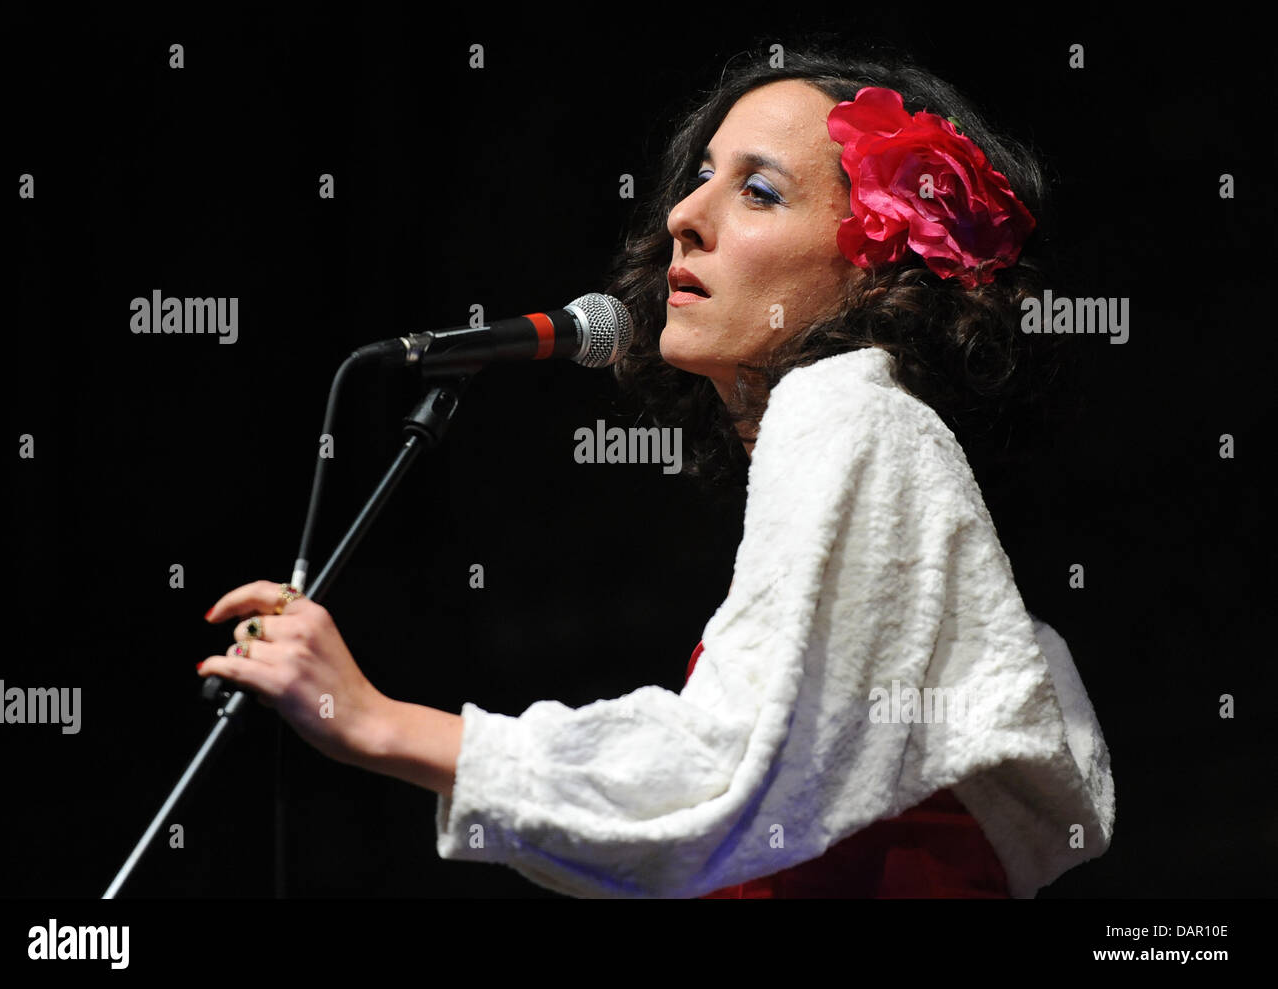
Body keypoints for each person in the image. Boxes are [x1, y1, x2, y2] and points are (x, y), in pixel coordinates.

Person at [197, 45, 1115, 898]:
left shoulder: (850, 408)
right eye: (702, 176)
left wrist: (375, 721)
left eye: (759, 190)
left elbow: (713, 769)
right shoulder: (880, 451)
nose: (684, 214)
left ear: (878, 273)